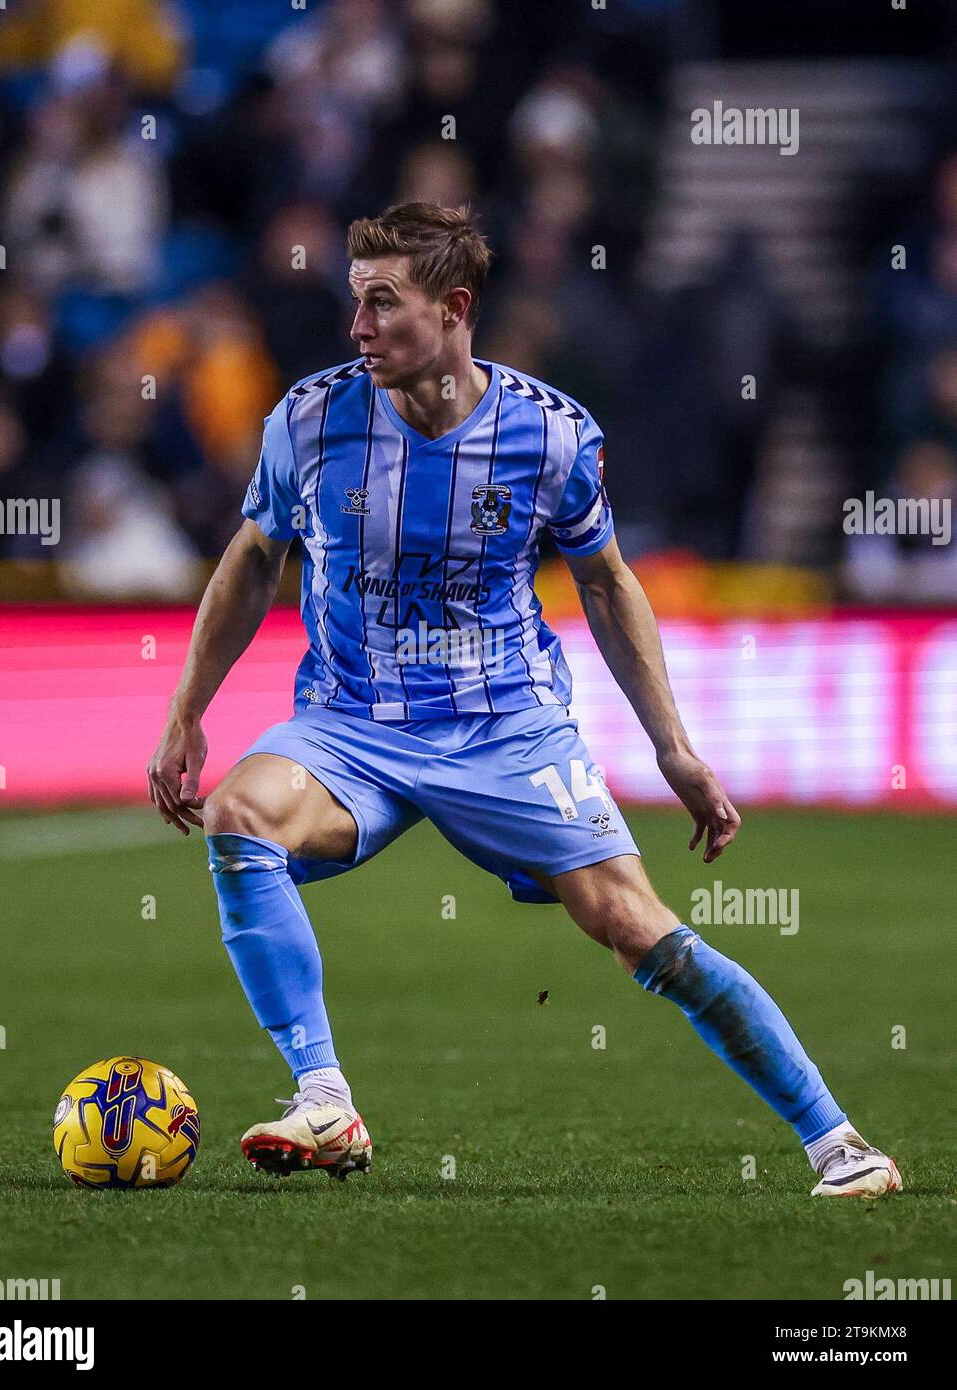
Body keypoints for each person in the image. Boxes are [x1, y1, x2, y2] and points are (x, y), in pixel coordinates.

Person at [148, 203, 901, 1197]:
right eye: (354, 302)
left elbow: (606, 580)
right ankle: (324, 1095)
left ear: (455, 309)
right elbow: (254, 559)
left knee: (635, 925)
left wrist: (673, 747)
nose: (357, 327)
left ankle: (838, 1142)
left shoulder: (550, 435)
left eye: (383, 303)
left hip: (506, 727)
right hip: (349, 726)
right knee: (241, 813)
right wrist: (187, 708)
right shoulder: (309, 418)